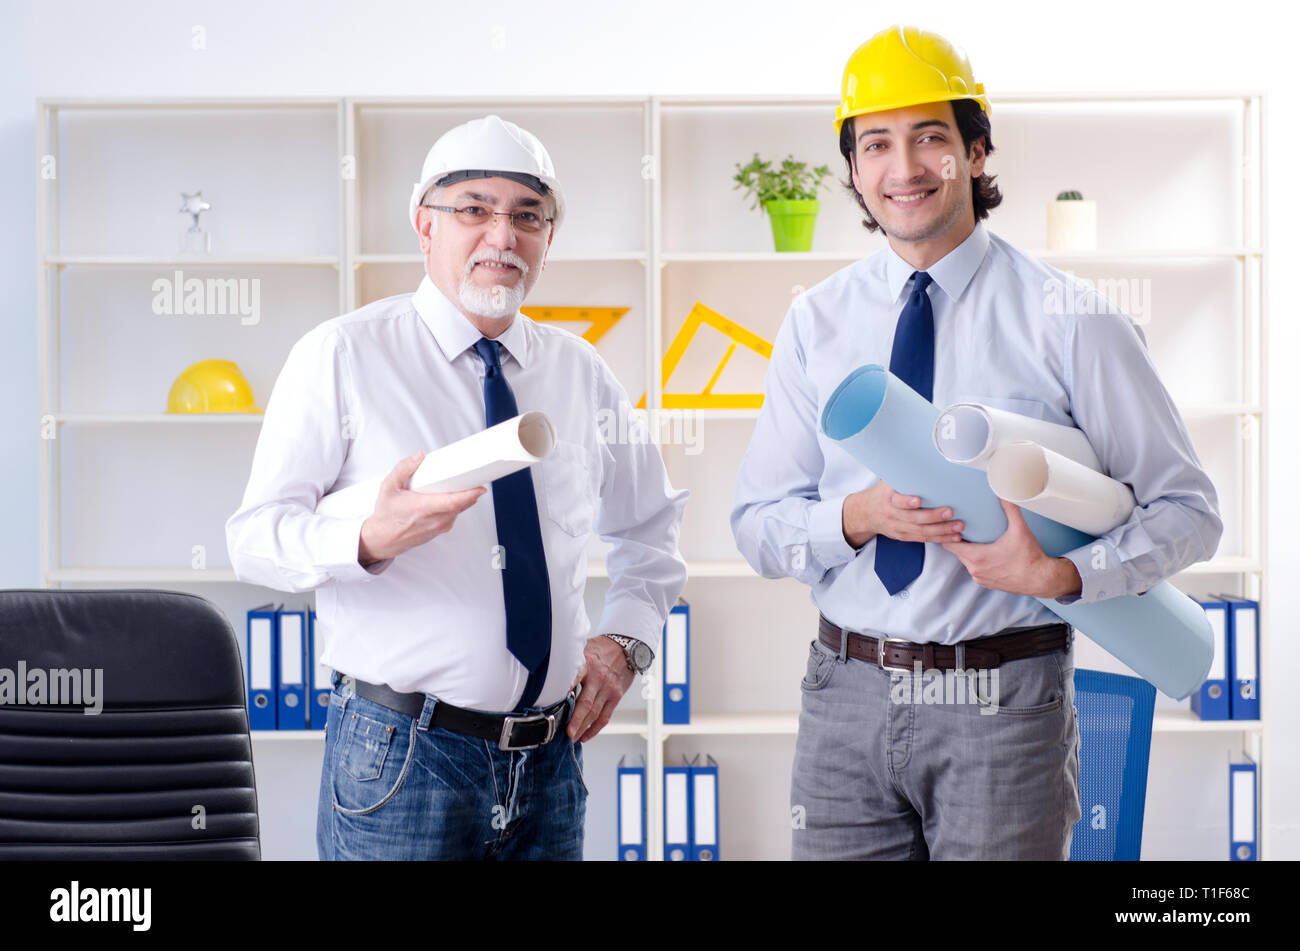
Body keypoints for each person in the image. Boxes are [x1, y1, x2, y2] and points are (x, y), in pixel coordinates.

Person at [730, 25, 1222, 860]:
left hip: (1004, 698)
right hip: (842, 698)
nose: (905, 167)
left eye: (931, 137)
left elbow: (1189, 511)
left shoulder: (1072, 318)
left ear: (978, 150)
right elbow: (755, 522)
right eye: (877, 143)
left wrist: (1063, 574)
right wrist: (853, 517)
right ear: (853, 169)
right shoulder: (816, 320)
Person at [227, 115, 687, 861]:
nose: (501, 235)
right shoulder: (343, 355)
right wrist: (366, 539)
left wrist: (625, 641)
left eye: (526, 216)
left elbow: (650, 529)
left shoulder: (581, 374)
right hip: (401, 760)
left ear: (545, 239)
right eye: (473, 209)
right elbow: (254, 536)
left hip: (550, 764)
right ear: (424, 226)